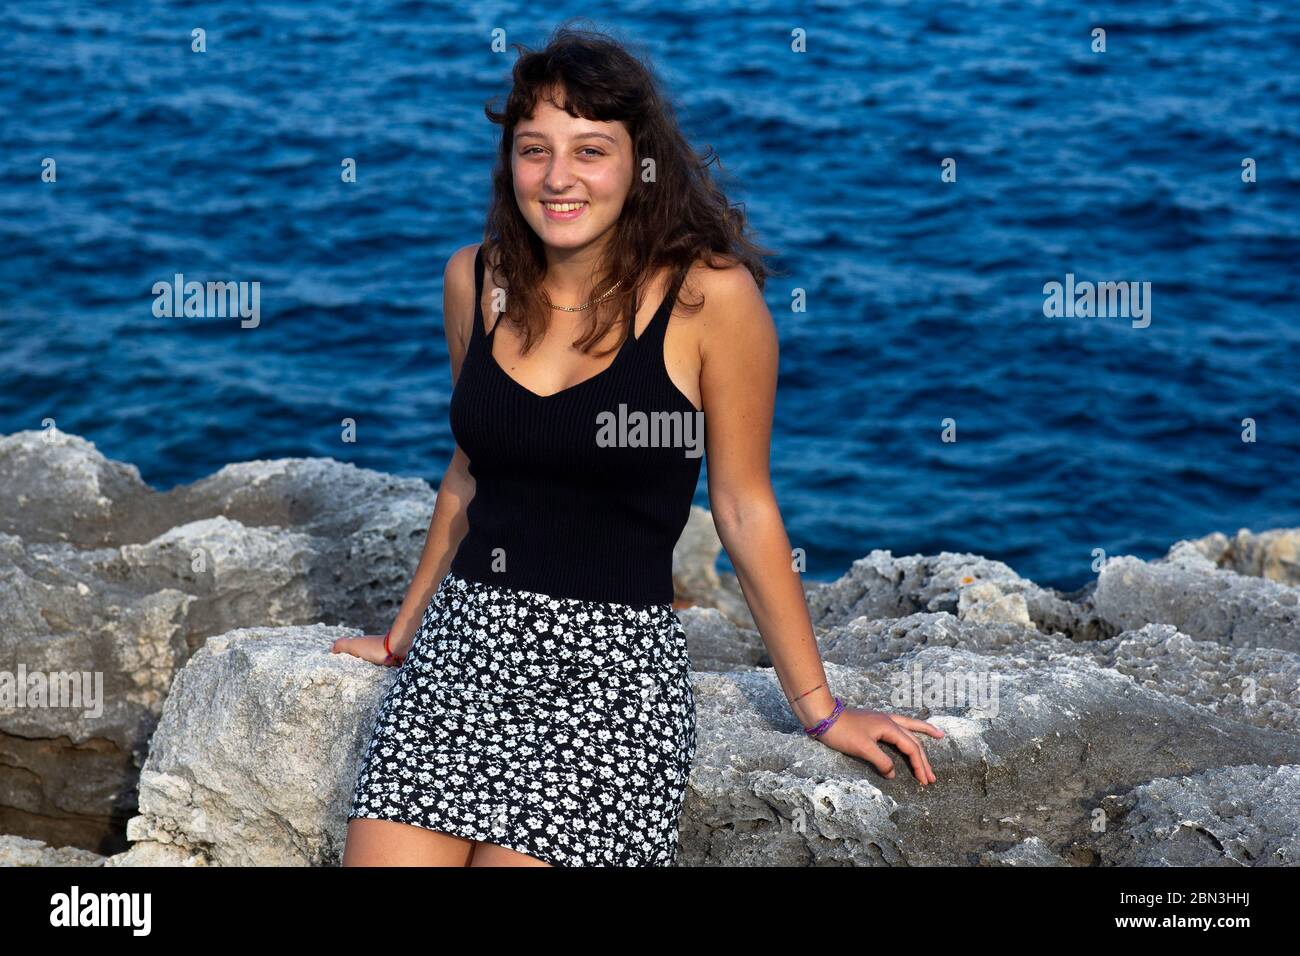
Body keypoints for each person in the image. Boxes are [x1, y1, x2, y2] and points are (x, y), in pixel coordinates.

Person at [332, 23, 943, 867]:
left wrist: (821, 709)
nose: (558, 178)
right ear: (508, 160)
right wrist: (406, 633)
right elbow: (472, 471)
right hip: (460, 658)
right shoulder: (474, 280)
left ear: (639, 162)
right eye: (534, 149)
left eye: (591, 150)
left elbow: (742, 504)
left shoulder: (708, 300)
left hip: (611, 682)